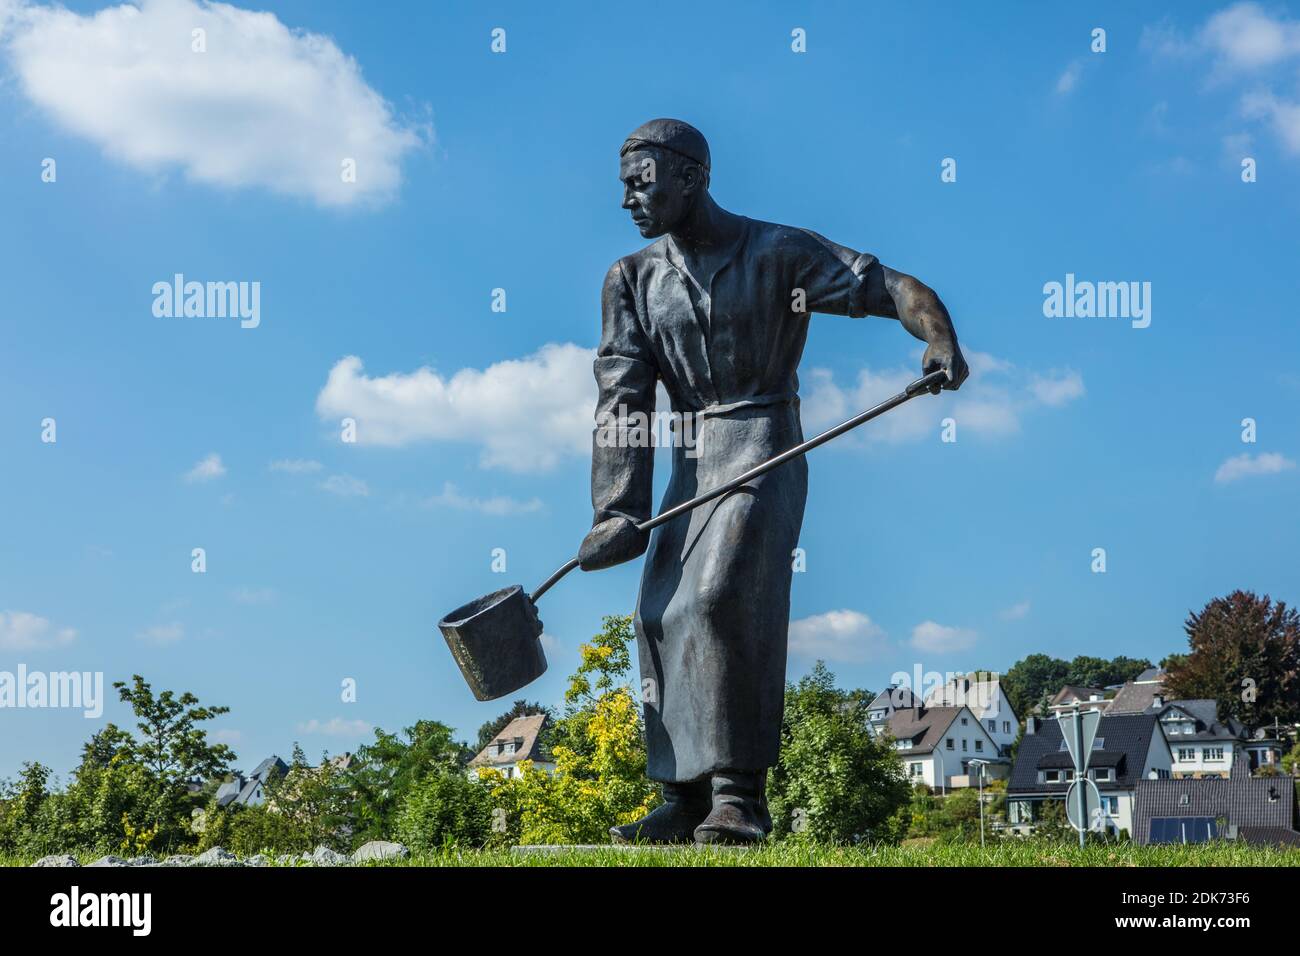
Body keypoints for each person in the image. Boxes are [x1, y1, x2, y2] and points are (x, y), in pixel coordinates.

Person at [580, 118, 968, 844]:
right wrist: (615, 509)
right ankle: (683, 799)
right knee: (659, 612)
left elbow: (887, 286)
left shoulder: (779, 252)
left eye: (643, 182)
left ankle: (739, 798)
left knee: (722, 595)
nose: (628, 200)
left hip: (763, 441)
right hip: (692, 457)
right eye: (623, 186)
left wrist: (938, 332)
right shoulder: (631, 279)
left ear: (692, 177)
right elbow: (621, 397)